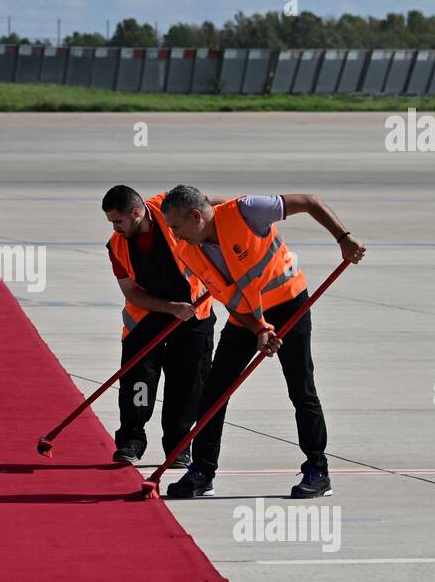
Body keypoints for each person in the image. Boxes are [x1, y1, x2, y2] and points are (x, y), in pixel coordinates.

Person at [157, 185, 366, 500]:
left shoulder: (247, 210)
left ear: (196, 216)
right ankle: (202, 471)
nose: (174, 234)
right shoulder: (189, 251)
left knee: (301, 387)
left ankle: (317, 470)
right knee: (215, 392)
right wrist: (259, 329)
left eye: (176, 226)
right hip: (247, 317)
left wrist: (343, 238)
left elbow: (309, 202)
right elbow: (229, 297)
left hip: (288, 302)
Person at [102, 185, 216, 470]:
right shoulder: (116, 246)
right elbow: (132, 292)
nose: (115, 228)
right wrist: (169, 308)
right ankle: (131, 440)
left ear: (137, 212)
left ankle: (178, 446)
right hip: (146, 316)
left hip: (192, 314)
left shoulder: (170, 208)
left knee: (186, 383)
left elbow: (210, 206)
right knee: (138, 381)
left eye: (118, 221)